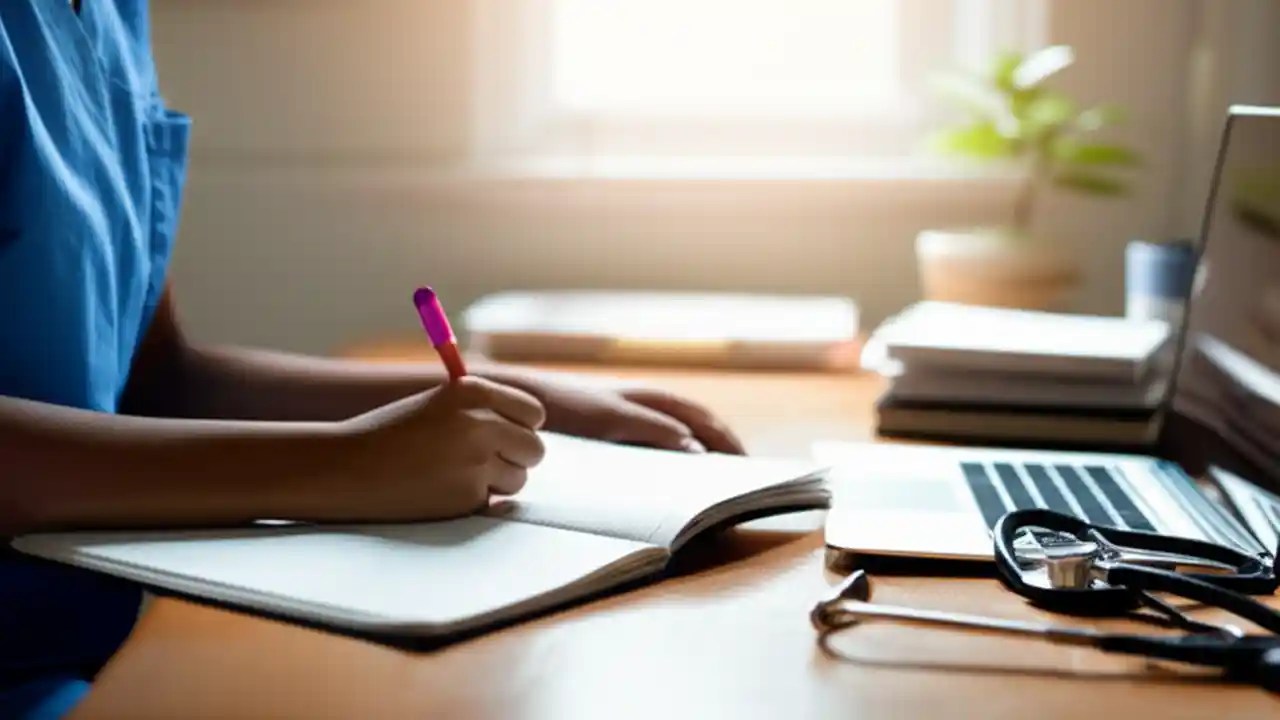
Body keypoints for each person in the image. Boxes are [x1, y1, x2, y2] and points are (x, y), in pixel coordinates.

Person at [0, 2, 744, 717]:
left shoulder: (108, 12)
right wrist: (346, 465)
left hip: (97, 641)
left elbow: (161, 379)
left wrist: (530, 394)